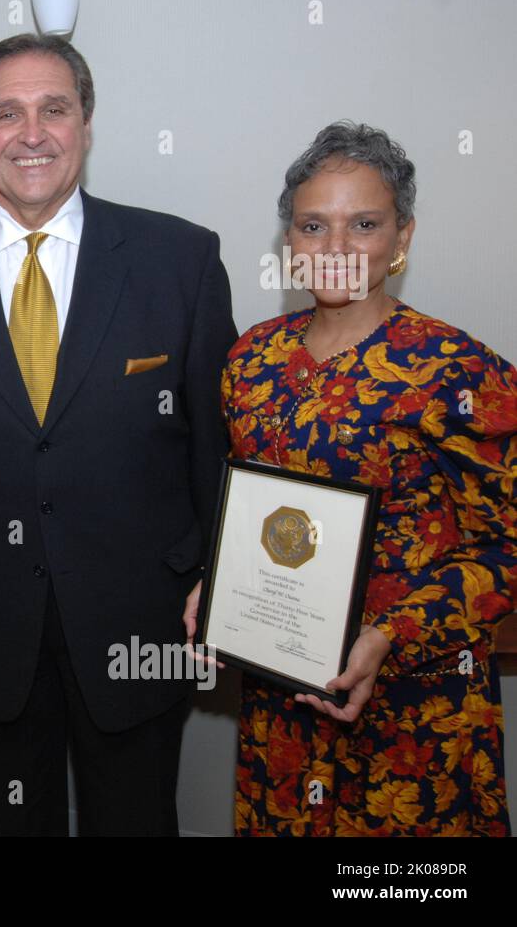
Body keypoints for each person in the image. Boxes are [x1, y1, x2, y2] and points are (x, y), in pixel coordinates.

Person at [0, 34, 237, 835]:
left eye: (53, 109)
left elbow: (218, 448)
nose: (30, 132)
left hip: (144, 625)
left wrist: (222, 573)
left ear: (86, 123)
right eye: (7, 113)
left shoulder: (181, 258)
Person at [186, 121, 515, 836]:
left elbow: (506, 548)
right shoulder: (251, 362)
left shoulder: (458, 370)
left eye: (363, 223)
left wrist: (392, 631)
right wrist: (221, 578)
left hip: (413, 705)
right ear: (290, 242)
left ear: (402, 238)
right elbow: (258, 516)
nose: (335, 249)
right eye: (313, 225)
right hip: (283, 695)